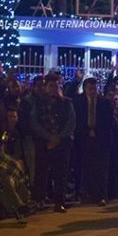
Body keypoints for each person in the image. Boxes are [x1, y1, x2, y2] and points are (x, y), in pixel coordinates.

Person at [30, 72, 75, 212]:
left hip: (62, 143)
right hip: (44, 142)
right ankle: (39, 199)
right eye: (50, 86)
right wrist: (48, 137)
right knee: (41, 172)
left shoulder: (66, 103)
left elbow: (71, 123)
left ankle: (59, 201)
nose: (53, 89)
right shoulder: (39, 103)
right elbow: (34, 122)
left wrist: (58, 138)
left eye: (55, 86)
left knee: (61, 173)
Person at [73, 78, 116, 206]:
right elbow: (77, 120)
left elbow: (108, 122)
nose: (93, 91)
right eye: (90, 88)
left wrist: (96, 131)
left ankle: (101, 195)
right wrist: (87, 131)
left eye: (95, 88)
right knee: (85, 167)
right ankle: (85, 193)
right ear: (85, 88)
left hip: (101, 139)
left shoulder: (105, 103)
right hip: (84, 139)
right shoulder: (78, 102)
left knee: (101, 168)